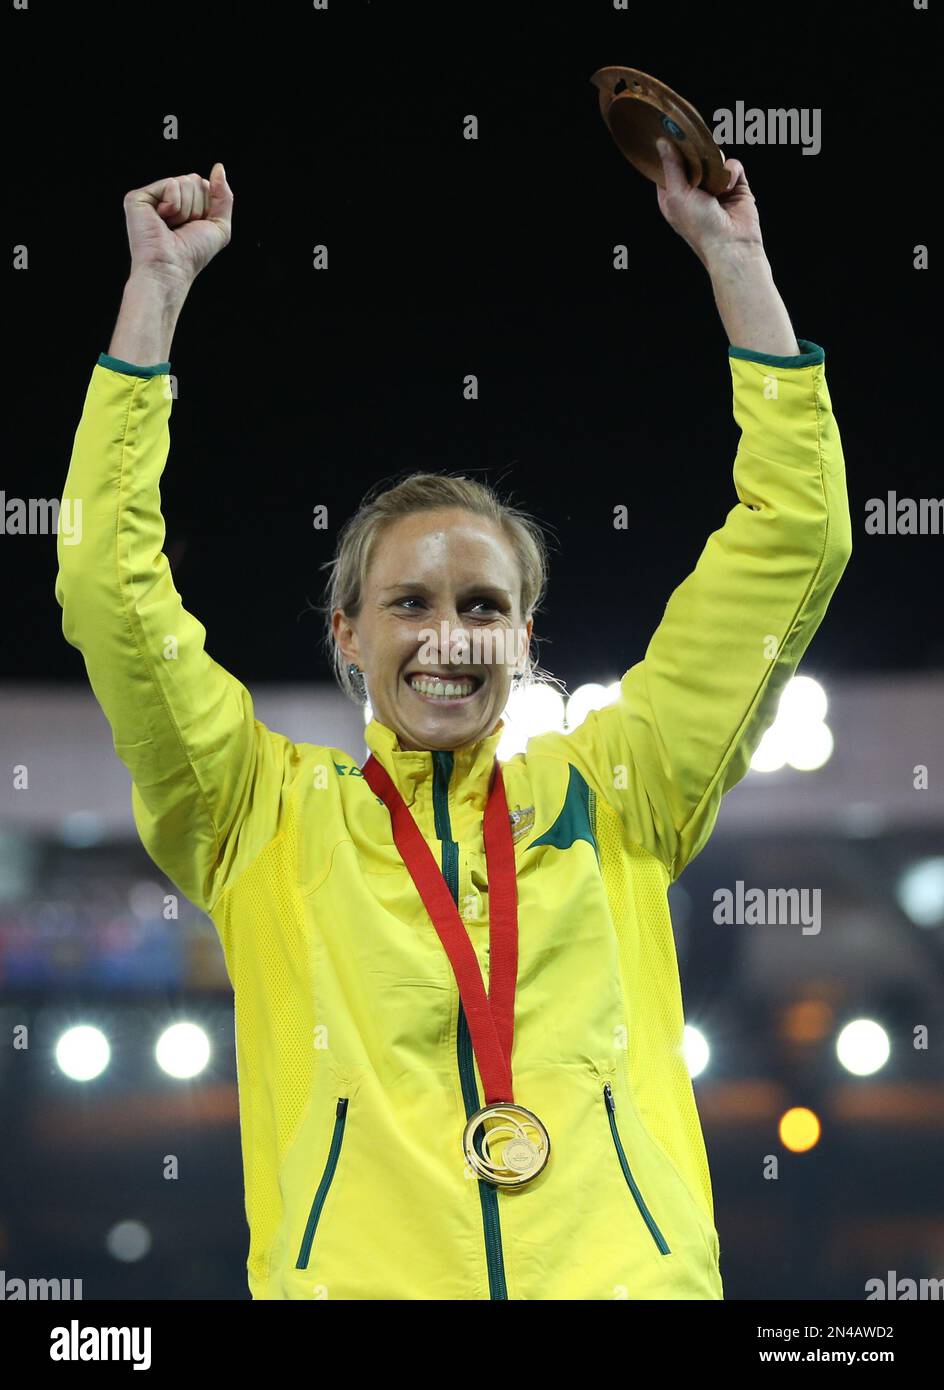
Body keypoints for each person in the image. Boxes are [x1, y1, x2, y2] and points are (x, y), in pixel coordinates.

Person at [55, 142, 851, 1300]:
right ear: (346, 634)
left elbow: (797, 540)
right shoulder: (255, 816)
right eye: (407, 604)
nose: (448, 636)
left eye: (485, 605)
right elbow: (106, 589)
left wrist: (736, 261)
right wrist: (153, 298)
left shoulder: (624, 788)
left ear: (524, 639)